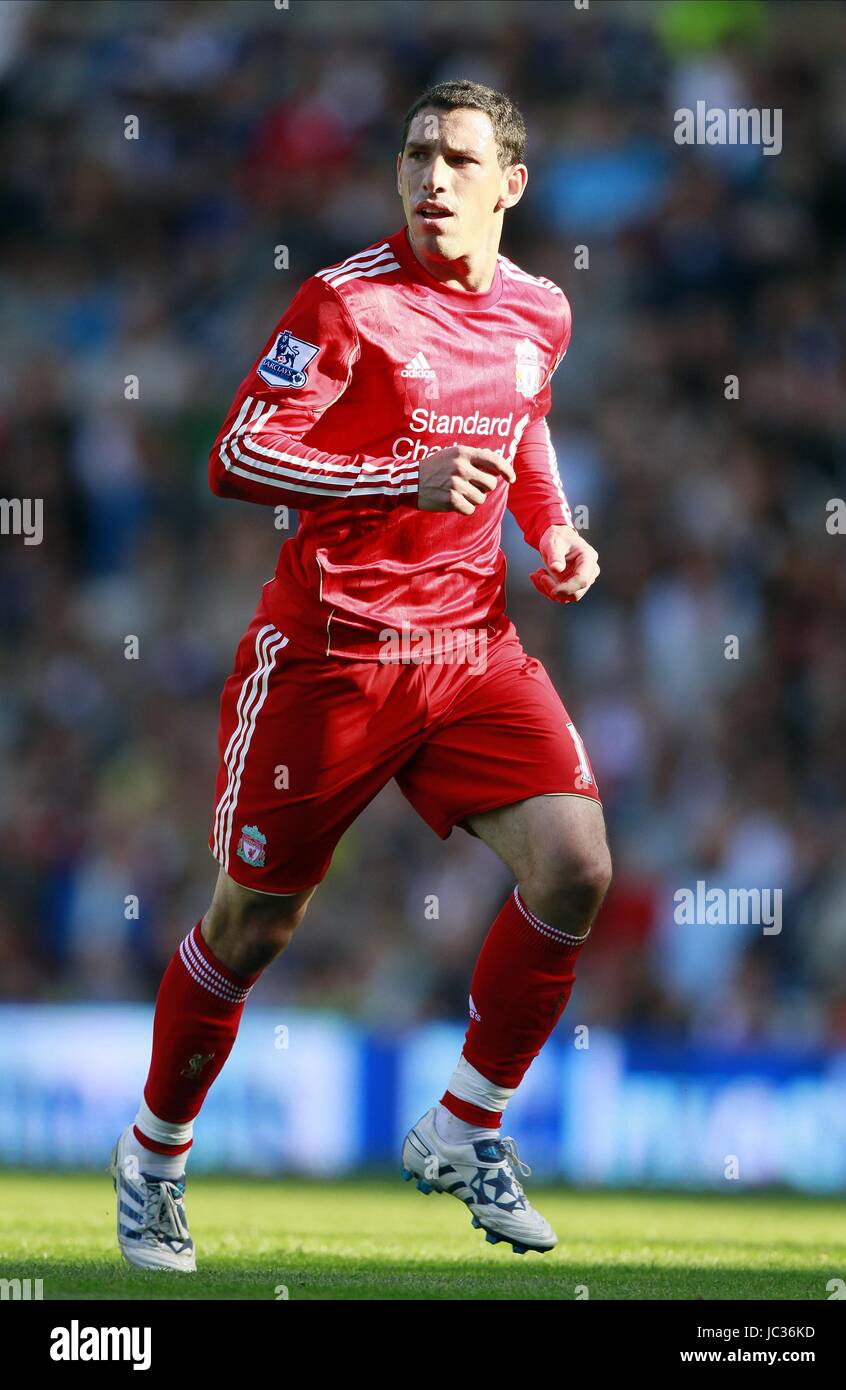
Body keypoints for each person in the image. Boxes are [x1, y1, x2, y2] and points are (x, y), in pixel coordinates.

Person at [111, 78, 611, 1271]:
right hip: (332, 655)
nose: (432, 179)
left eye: (457, 160)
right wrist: (401, 477)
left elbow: (523, 424)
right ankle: (153, 1153)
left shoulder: (542, 311)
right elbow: (237, 450)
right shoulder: (344, 302)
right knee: (252, 926)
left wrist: (550, 530)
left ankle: (464, 1123)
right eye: (415, 155)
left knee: (578, 864)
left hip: (471, 648)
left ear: (511, 186)